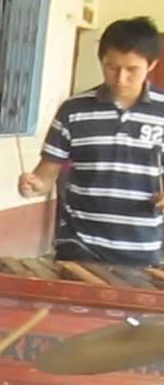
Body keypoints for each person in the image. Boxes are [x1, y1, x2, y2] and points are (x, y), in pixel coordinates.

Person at [19, 15, 164, 266]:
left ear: (151, 65)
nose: (120, 78)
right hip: (80, 245)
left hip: (141, 246)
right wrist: (33, 185)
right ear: (101, 61)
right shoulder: (73, 109)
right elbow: (45, 175)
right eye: (111, 67)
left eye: (132, 70)